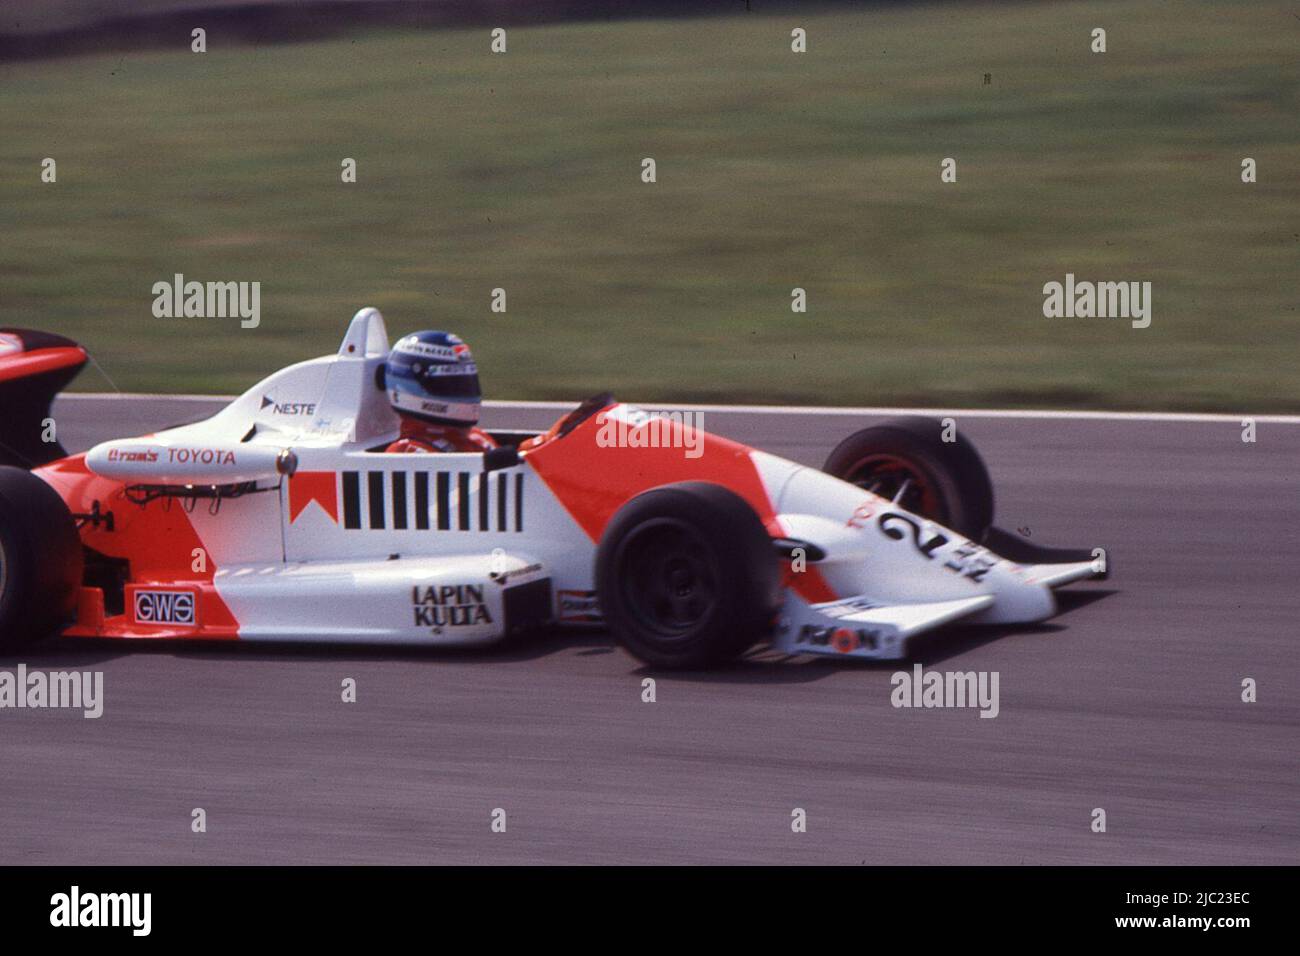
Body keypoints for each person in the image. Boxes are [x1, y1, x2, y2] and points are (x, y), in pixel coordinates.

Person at [383, 331, 498, 454]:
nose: (461, 390)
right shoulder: (407, 450)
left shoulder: (477, 437)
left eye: (465, 381)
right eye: (451, 383)